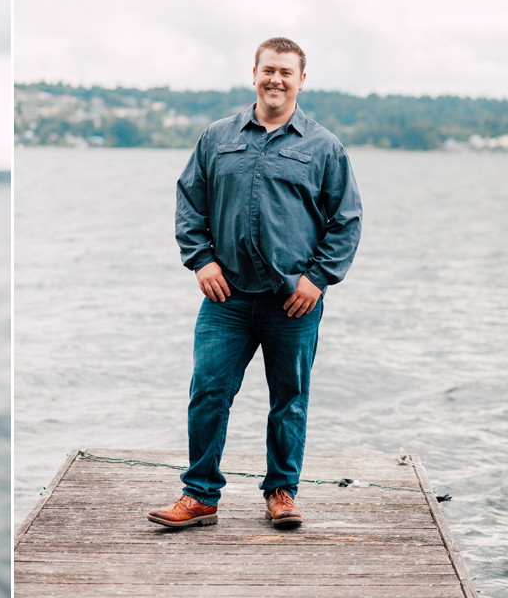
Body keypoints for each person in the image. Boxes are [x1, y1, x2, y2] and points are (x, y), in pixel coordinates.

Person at [148, 37, 362, 530]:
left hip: (294, 301)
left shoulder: (325, 146)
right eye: (269, 70)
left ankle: (282, 493)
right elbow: (189, 202)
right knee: (208, 391)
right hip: (227, 298)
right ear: (254, 73)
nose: (276, 80)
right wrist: (201, 261)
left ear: (301, 80)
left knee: (288, 398)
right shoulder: (217, 138)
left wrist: (318, 278)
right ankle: (200, 495)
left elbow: (346, 219)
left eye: (287, 72)